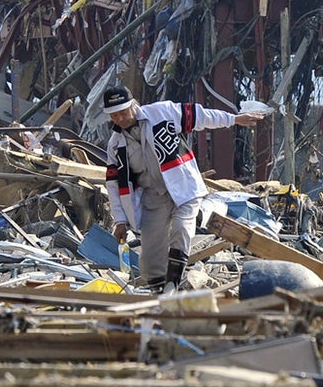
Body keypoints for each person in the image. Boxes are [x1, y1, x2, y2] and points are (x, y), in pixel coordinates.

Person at [102, 85, 268, 292]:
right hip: (153, 197)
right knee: (149, 259)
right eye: (114, 115)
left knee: (181, 229)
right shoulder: (115, 144)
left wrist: (234, 119)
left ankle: (173, 282)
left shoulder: (162, 113)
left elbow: (201, 116)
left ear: (133, 105)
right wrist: (119, 220)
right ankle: (160, 295)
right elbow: (114, 185)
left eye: (123, 112)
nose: (119, 118)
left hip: (183, 187)